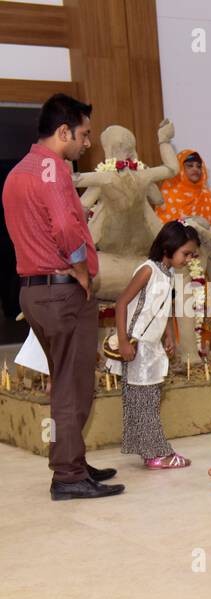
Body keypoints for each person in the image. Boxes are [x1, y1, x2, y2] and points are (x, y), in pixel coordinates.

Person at [2, 93, 124, 500]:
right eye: (84, 134)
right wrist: (79, 269)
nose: (87, 143)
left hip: (33, 293)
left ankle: (73, 460)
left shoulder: (19, 171)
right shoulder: (52, 170)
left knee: (64, 384)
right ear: (63, 131)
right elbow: (65, 228)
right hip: (62, 293)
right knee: (73, 387)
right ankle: (69, 476)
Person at [108, 221, 197, 468]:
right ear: (169, 247)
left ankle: (150, 451)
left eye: (191, 255)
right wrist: (124, 341)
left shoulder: (167, 273)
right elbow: (122, 303)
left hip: (151, 347)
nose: (188, 259)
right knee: (144, 400)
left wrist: (168, 334)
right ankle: (158, 453)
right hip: (137, 347)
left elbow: (162, 309)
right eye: (186, 253)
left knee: (147, 399)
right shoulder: (148, 270)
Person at [155, 149, 211, 228]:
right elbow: (166, 226)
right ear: (180, 168)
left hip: (203, 239)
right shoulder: (169, 193)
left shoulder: (205, 194)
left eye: (199, 166)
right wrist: (190, 222)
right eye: (190, 165)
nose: (195, 169)